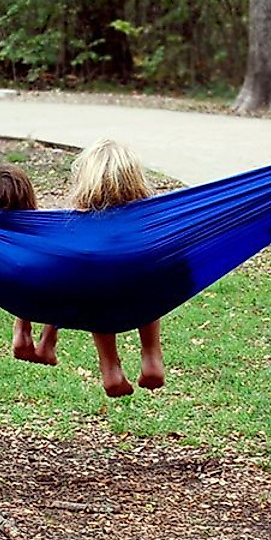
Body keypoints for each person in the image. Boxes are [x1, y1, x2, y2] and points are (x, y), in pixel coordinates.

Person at [69, 138, 166, 398]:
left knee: (91, 288)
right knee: (151, 280)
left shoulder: (76, 226)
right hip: (146, 290)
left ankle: (110, 366)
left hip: (99, 295)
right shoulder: (151, 221)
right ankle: (151, 353)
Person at [0, 166, 59, 366]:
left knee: (24, 269)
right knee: (65, 268)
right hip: (37, 270)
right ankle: (48, 338)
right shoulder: (42, 233)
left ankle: (22, 328)